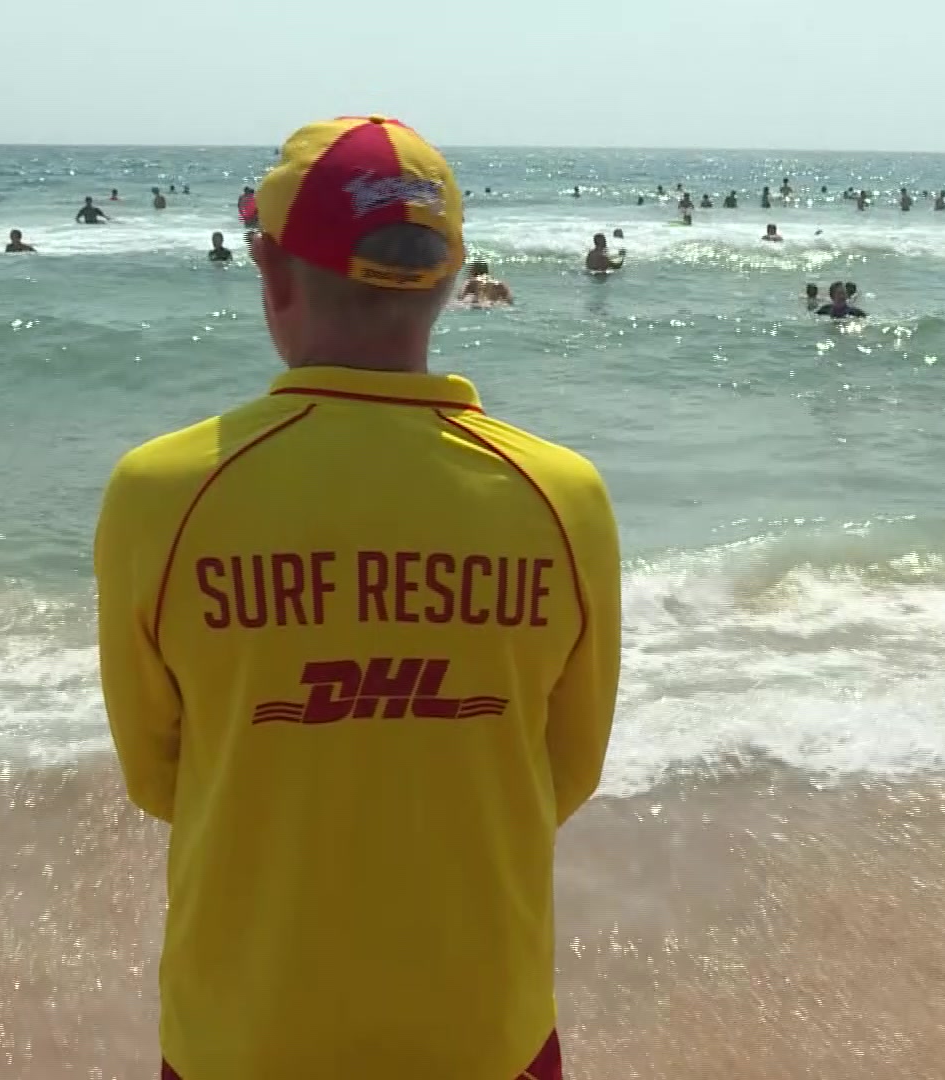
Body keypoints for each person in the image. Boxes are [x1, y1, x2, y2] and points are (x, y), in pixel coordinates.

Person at [94, 114, 619, 1080]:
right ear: (454, 283)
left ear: (271, 270)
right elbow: (568, 771)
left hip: (244, 1035)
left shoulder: (162, 493)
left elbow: (157, 777)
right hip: (482, 1029)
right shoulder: (560, 497)